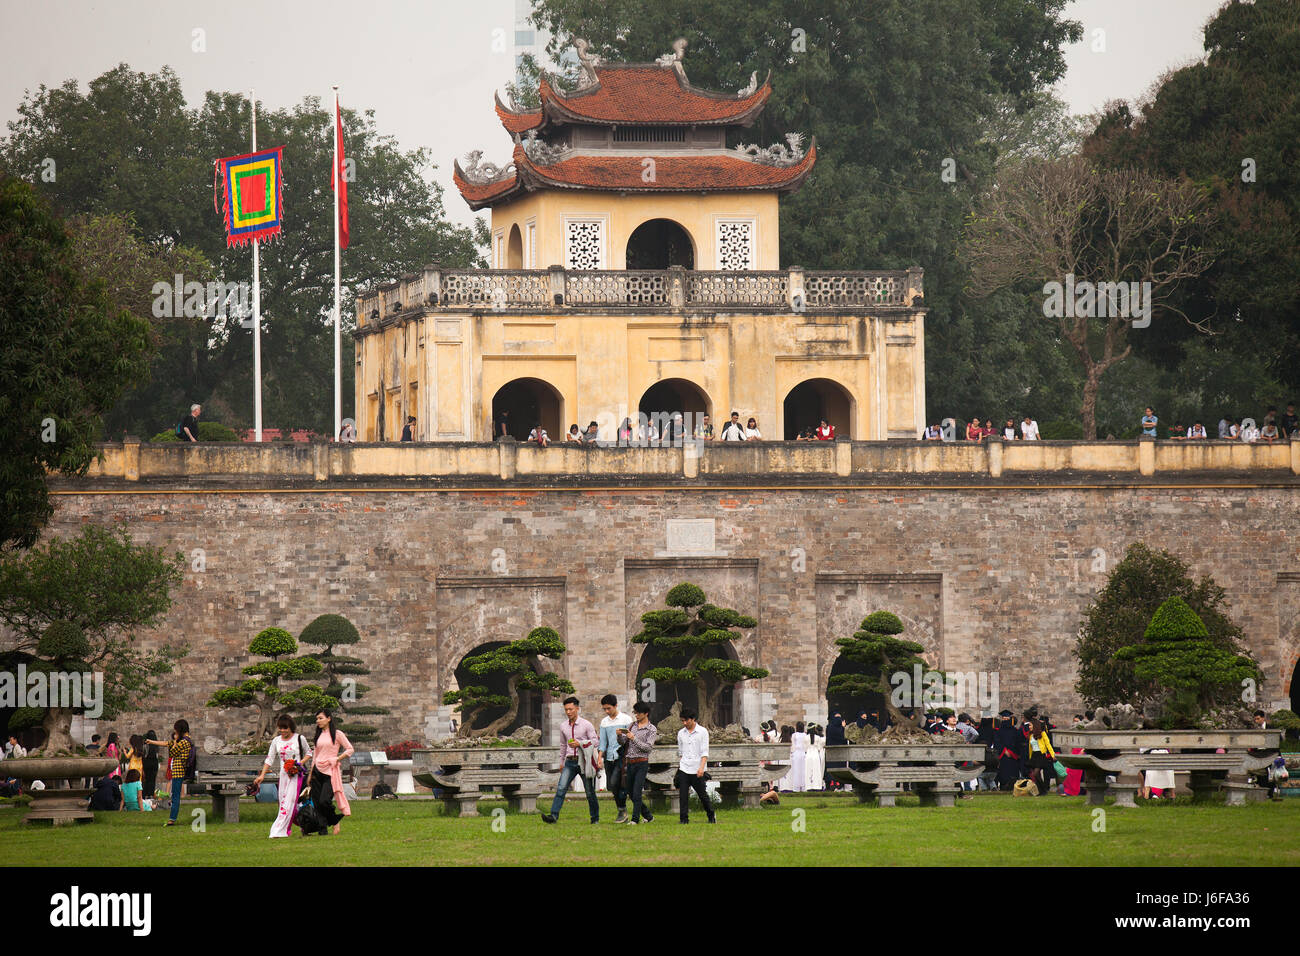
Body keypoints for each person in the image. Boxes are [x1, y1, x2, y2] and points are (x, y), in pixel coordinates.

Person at [541, 696, 601, 824]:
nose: (568, 712)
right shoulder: (563, 726)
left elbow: (595, 741)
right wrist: (561, 762)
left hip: (584, 761)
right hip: (569, 761)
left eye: (571, 709)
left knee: (590, 792)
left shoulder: (586, 724)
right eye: (566, 710)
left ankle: (595, 818)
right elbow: (563, 745)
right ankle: (553, 816)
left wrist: (580, 743)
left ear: (577, 709)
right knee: (561, 788)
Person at [254, 715, 314, 838]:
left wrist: (299, 763)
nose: (282, 731)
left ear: (291, 727)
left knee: (289, 803)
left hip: (296, 775)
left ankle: (278, 831)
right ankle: (306, 824)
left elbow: (309, 753)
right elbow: (269, 759)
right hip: (283, 775)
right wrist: (262, 775)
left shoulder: (299, 738)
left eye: (285, 728)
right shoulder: (276, 741)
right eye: (280, 728)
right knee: (283, 803)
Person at [308, 710, 354, 835]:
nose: (318, 721)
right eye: (317, 719)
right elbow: (315, 756)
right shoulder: (318, 735)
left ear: (328, 718)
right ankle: (322, 830)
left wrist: (337, 758)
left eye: (320, 718)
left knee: (324, 800)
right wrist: (311, 773)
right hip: (317, 770)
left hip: (330, 771)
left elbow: (350, 749)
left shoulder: (337, 734)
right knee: (317, 802)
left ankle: (334, 820)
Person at [146, 721, 193, 827]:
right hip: (176, 772)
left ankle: (172, 819)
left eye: (176, 729)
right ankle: (172, 818)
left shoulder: (184, 742)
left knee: (175, 796)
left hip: (179, 772)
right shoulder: (183, 741)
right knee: (174, 795)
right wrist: (152, 742)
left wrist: (176, 741)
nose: (175, 732)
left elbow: (172, 751)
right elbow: (167, 743)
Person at [619, 701, 657, 825]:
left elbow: (648, 748)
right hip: (629, 763)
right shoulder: (631, 726)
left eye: (638, 713)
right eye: (635, 713)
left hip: (642, 763)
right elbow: (623, 742)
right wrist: (619, 736)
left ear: (646, 713)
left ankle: (635, 819)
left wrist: (633, 738)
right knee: (630, 792)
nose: (636, 715)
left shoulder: (651, 729)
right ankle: (648, 816)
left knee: (637, 792)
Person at [598, 694, 633, 824]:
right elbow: (602, 742)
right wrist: (599, 758)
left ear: (616, 706)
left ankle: (622, 810)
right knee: (611, 786)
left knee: (617, 783)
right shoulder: (604, 722)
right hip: (609, 757)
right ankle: (623, 811)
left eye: (609, 708)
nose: (607, 711)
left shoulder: (626, 719)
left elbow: (630, 738)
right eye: (605, 709)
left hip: (622, 757)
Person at [676, 709, 715, 824]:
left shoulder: (702, 732)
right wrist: (680, 766)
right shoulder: (680, 733)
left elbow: (704, 752)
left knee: (702, 795)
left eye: (686, 720)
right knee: (683, 795)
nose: (684, 723)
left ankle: (711, 815)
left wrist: (701, 768)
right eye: (682, 721)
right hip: (684, 768)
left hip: (697, 768)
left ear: (693, 719)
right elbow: (680, 752)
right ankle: (684, 819)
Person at [993, 711, 1023, 791]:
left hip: (1013, 756)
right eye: (1004, 719)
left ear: (1010, 719)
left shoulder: (1015, 731)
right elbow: (997, 742)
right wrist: (1004, 750)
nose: (1006, 720)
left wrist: (1012, 752)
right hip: (1003, 756)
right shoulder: (998, 731)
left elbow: (1017, 742)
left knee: (1013, 773)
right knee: (1003, 773)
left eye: (1007, 719)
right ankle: (1003, 786)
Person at [1027, 719, 1057, 796]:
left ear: (1035, 725)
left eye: (1030, 725)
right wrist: (1030, 757)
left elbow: (1048, 745)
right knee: (1036, 775)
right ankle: (1040, 791)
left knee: (1036, 773)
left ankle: (1043, 789)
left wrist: (1053, 755)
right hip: (1034, 755)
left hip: (1041, 755)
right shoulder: (1030, 735)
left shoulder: (1043, 733)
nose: (1029, 727)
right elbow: (1030, 748)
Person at [784, 722, 808, 792]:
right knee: (803, 770)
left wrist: (792, 752)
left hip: (796, 754)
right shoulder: (805, 735)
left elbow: (793, 745)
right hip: (803, 753)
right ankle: (803, 787)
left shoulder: (794, 735)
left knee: (797, 770)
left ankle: (796, 787)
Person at [804, 724, 824, 791]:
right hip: (815, 754)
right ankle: (817, 786)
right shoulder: (818, 737)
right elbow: (819, 748)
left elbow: (805, 748)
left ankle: (808, 786)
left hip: (808, 754)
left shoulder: (805, 737)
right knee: (816, 770)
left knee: (808, 770)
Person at [141, 729, 160, 799]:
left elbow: (144, 755)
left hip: (146, 764)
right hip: (154, 764)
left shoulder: (145, 745)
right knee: (152, 780)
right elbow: (157, 755)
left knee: (147, 779)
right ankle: (151, 793)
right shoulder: (156, 746)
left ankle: (146, 794)